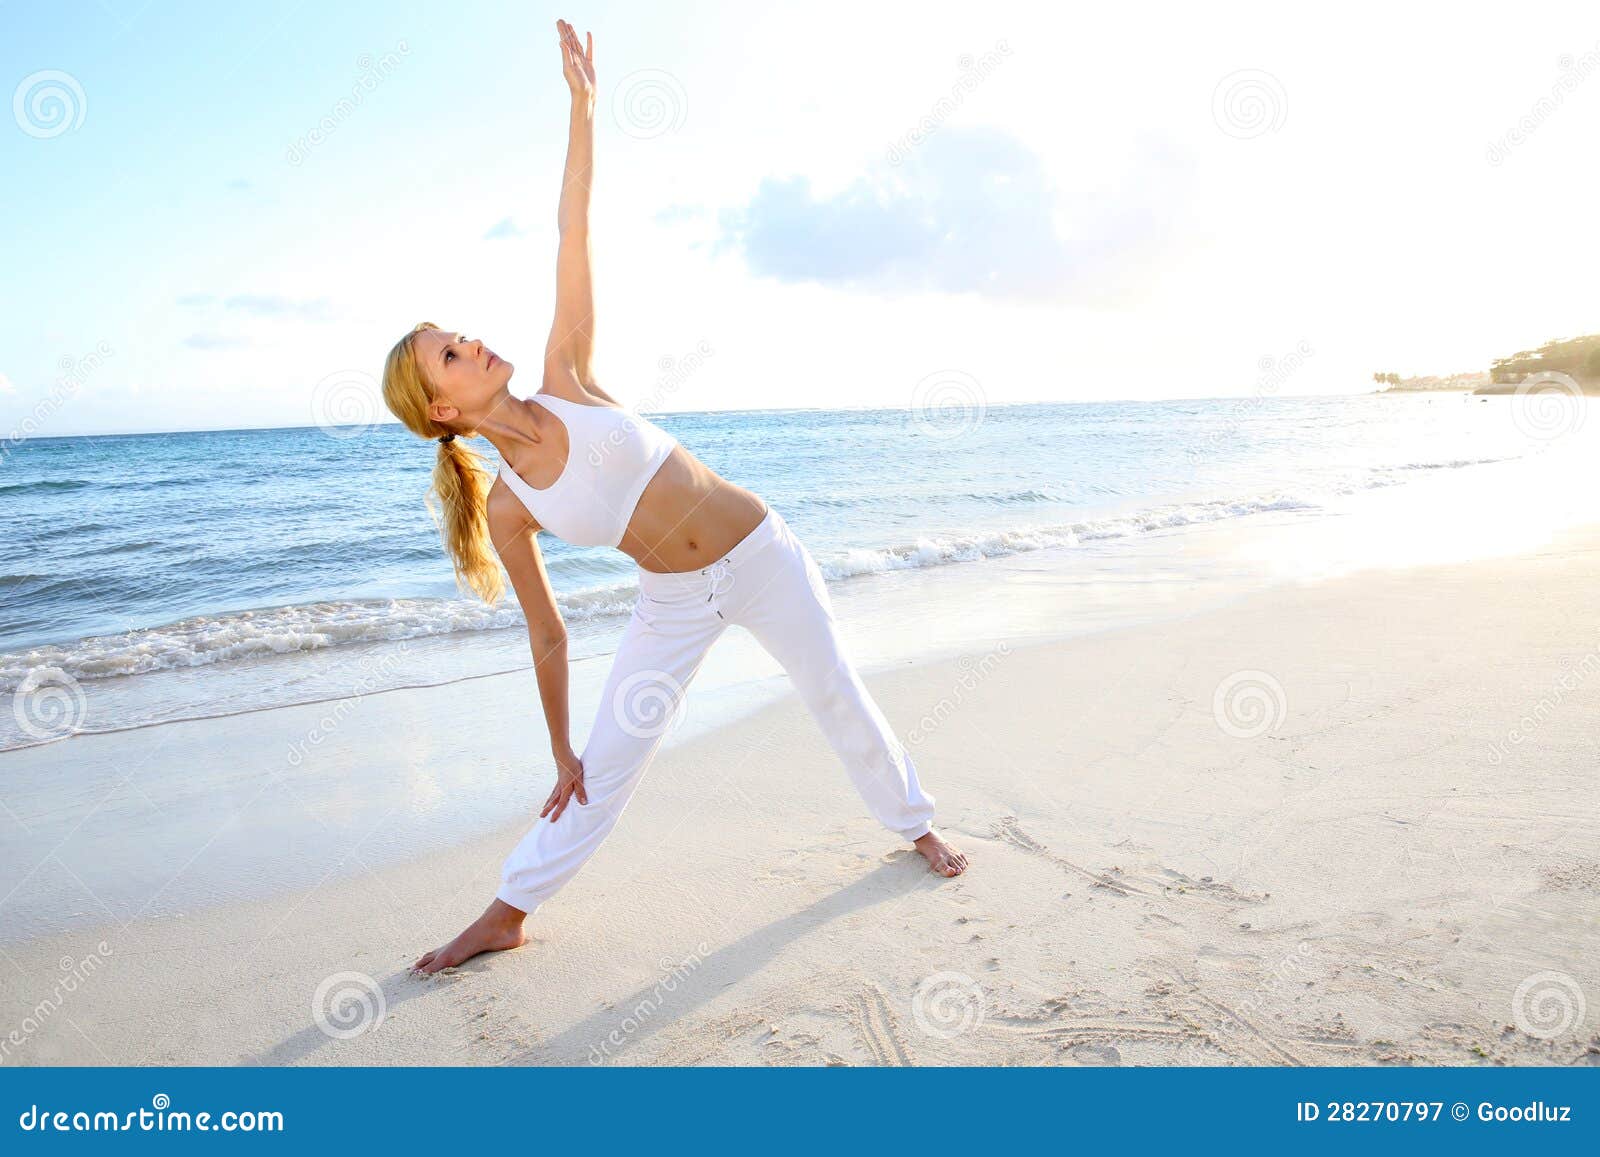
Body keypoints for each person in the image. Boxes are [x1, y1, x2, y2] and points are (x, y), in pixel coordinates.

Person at [382, 20, 966, 975]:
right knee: (604, 772)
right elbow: (548, 634)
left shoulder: (567, 371)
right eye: (453, 352)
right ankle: (505, 911)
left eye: (459, 331)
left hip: (762, 556)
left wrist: (583, 107)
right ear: (445, 408)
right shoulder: (509, 506)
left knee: (835, 691)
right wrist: (562, 747)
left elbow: (574, 221)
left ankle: (917, 827)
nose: (473, 340)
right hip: (673, 604)